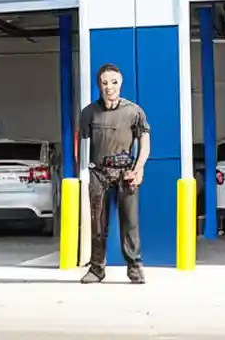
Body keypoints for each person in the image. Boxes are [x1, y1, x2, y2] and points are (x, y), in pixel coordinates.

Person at [78, 63, 150, 284]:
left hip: (125, 174)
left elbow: (144, 142)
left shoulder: (134, 111)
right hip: (98, 174)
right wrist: (83, 172)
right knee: (98, 224)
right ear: (99, 85)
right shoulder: (89, 112)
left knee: (130, 223)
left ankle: (134, 267)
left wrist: (138, 170)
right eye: (104, 83)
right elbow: (79, 145)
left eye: (114, 82)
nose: (109, 87)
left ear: (121, 83)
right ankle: (97, 269)